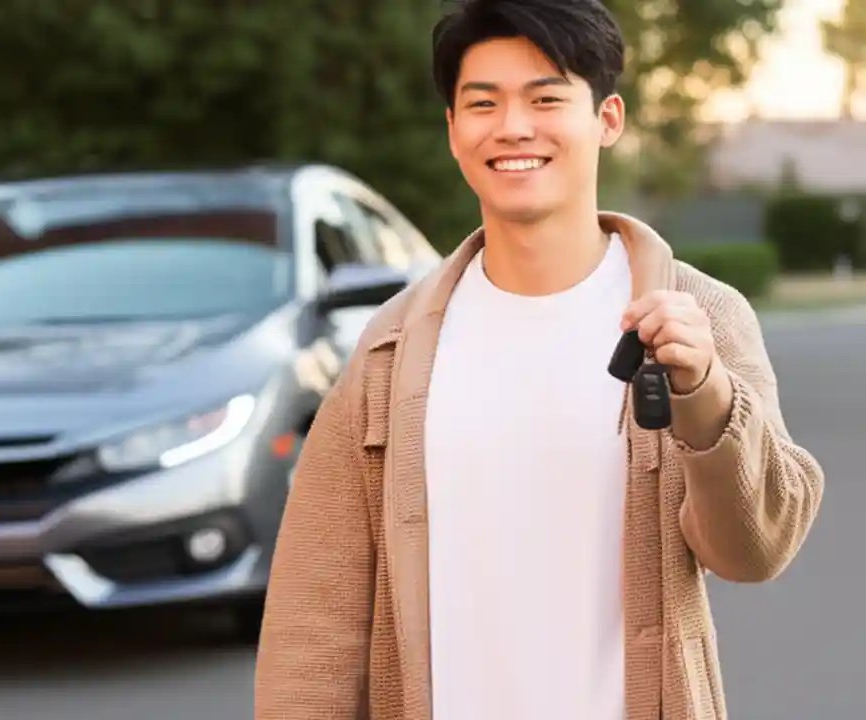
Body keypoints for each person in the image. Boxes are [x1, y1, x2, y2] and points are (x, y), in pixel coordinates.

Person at [253, 1, 825, 719]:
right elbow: (316, 622)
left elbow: (757, 550)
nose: (513, 126)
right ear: (454, 131)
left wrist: (707, 395)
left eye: (546, 98)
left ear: (607, 119)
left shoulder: (702, 316)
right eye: (482, 103)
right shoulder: (388, 354)